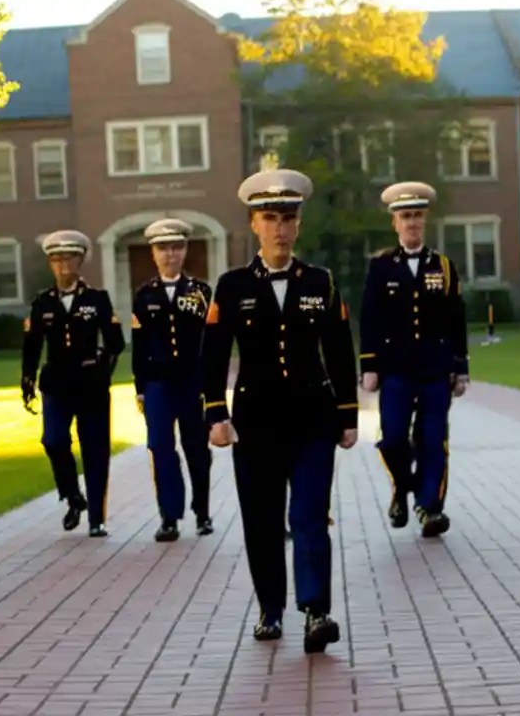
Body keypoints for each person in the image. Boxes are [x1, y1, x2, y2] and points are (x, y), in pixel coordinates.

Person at [200, 167, 359, 654]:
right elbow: (212, 355)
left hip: (313, 419)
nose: (281, 228)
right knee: (262, 520)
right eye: (271, 218)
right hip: (256, 423)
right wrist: (215, 415)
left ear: (299, 224)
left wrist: (348, 415)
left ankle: (316, 611)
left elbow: (339, 348)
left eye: (289, 218)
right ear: (254, 224)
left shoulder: (320, 282)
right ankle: (271, 608)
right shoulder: (229, 287)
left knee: (311, 515)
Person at [358, 181, 468, 537]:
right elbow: (370, 317)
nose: (412, 223)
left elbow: (456, 318)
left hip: (435, 367)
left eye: (418, 216)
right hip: (396, 368)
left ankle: (430, 507)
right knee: (392, 438)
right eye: (406, 216)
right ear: (395, 222)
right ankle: (402, 488)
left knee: (433, 438)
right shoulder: (381, 267)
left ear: (425, 220)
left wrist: (460, 367)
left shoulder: (444, 266)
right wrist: (369, 366)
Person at [22, 230, 126, 537]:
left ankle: (97, 518)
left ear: (80, 259)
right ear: (50, 264)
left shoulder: (97, 299)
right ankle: (72, 495)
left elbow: (116, 341)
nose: (63, 264)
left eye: (69, 257)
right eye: (56, 259)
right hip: (56, 383)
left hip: (90, 384)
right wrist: (26, 378)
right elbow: (32, 344)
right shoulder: (42, 303)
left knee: (95, 450)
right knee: (52, 440)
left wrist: (102, 363)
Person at [130, 218, 215, 542]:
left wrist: (212, 387)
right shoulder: (144, 295)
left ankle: (203, 512)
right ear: (153, 253)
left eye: (176, 247)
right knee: (160, 448)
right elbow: (139, 346)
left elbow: (211, 344)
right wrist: (140, 389)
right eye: (163, 248)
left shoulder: (200, 292)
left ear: (185, 250)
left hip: (192, 382)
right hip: (158, 384)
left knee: (197, 449)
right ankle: (169, 516)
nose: (170, 254)